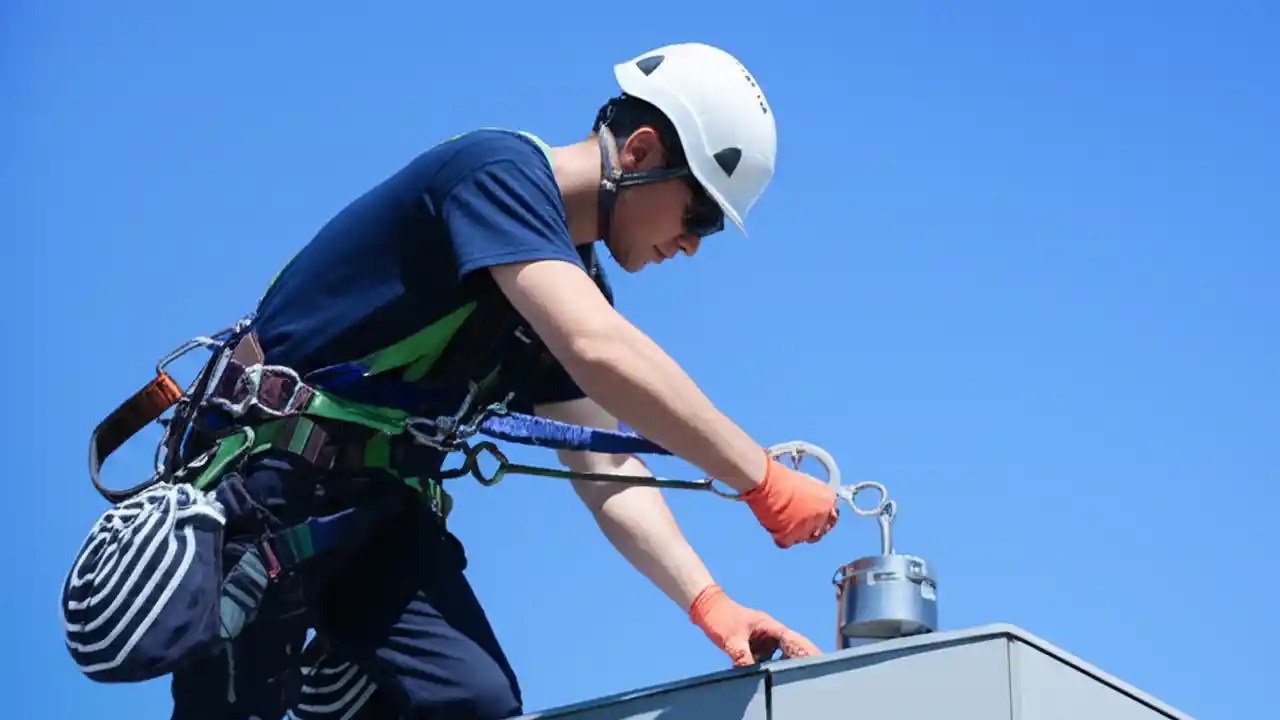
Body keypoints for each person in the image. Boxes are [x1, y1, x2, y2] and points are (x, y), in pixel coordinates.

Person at [66, 41, 840, 720]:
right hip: (268, 497)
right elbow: (598, 346)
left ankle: (342, 673)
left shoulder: (562, 288)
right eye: (699, 215)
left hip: (375, 519)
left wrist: (712, 605)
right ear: (638, 151)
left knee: (474, 703)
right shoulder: (496, 175)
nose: (693, 247)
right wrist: (760, 479)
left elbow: (603, 463)